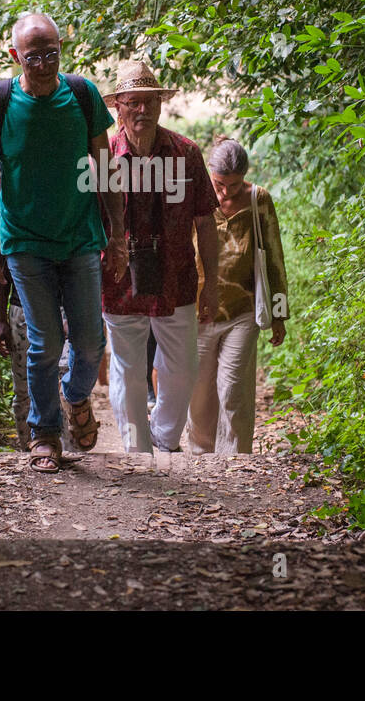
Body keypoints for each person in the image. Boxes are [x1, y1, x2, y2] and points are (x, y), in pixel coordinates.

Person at [0, 13, 127, 472]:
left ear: (62, 49)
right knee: (44, 342)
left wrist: (117, 237)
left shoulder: (81, 95)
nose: (43, 64)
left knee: (91, 341)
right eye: (33, 56)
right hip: (24, 242)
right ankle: (45, 435)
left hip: (80, 238)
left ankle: (76, 397)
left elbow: (105, 168)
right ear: (15, 55)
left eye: (51, 53)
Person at [100, 60, 219, 453]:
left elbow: (205, 221)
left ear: (161, 105)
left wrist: (212, 284)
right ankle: (136, 449)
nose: (143, 111)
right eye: (133, 103)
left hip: (177, 279)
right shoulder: (102, 158)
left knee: (183, 369)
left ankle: (165, 439)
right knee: (128, 369)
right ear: (119, 107)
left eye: (150, 102)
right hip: (118, 279)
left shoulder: (186, 153)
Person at [186, 139, 288, 455]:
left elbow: (274, 258)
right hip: (199, 309)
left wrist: (279, 314)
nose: (225, 193)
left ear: (244, 177)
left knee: (232, 389)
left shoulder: (259, 200)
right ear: (209, 175)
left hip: (243, 310)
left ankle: (236, 458)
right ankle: (202, 456)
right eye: (219, 184)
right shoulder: (193, 197)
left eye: (233, 185)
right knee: (199, 392)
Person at [0, 181, 75, 453]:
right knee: (25, 392)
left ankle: (68, 453)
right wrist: (0, 318)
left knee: (63, 386)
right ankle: (32, 452)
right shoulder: (3, 189)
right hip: (21, 308)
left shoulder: (70, 178)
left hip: (64, 304)